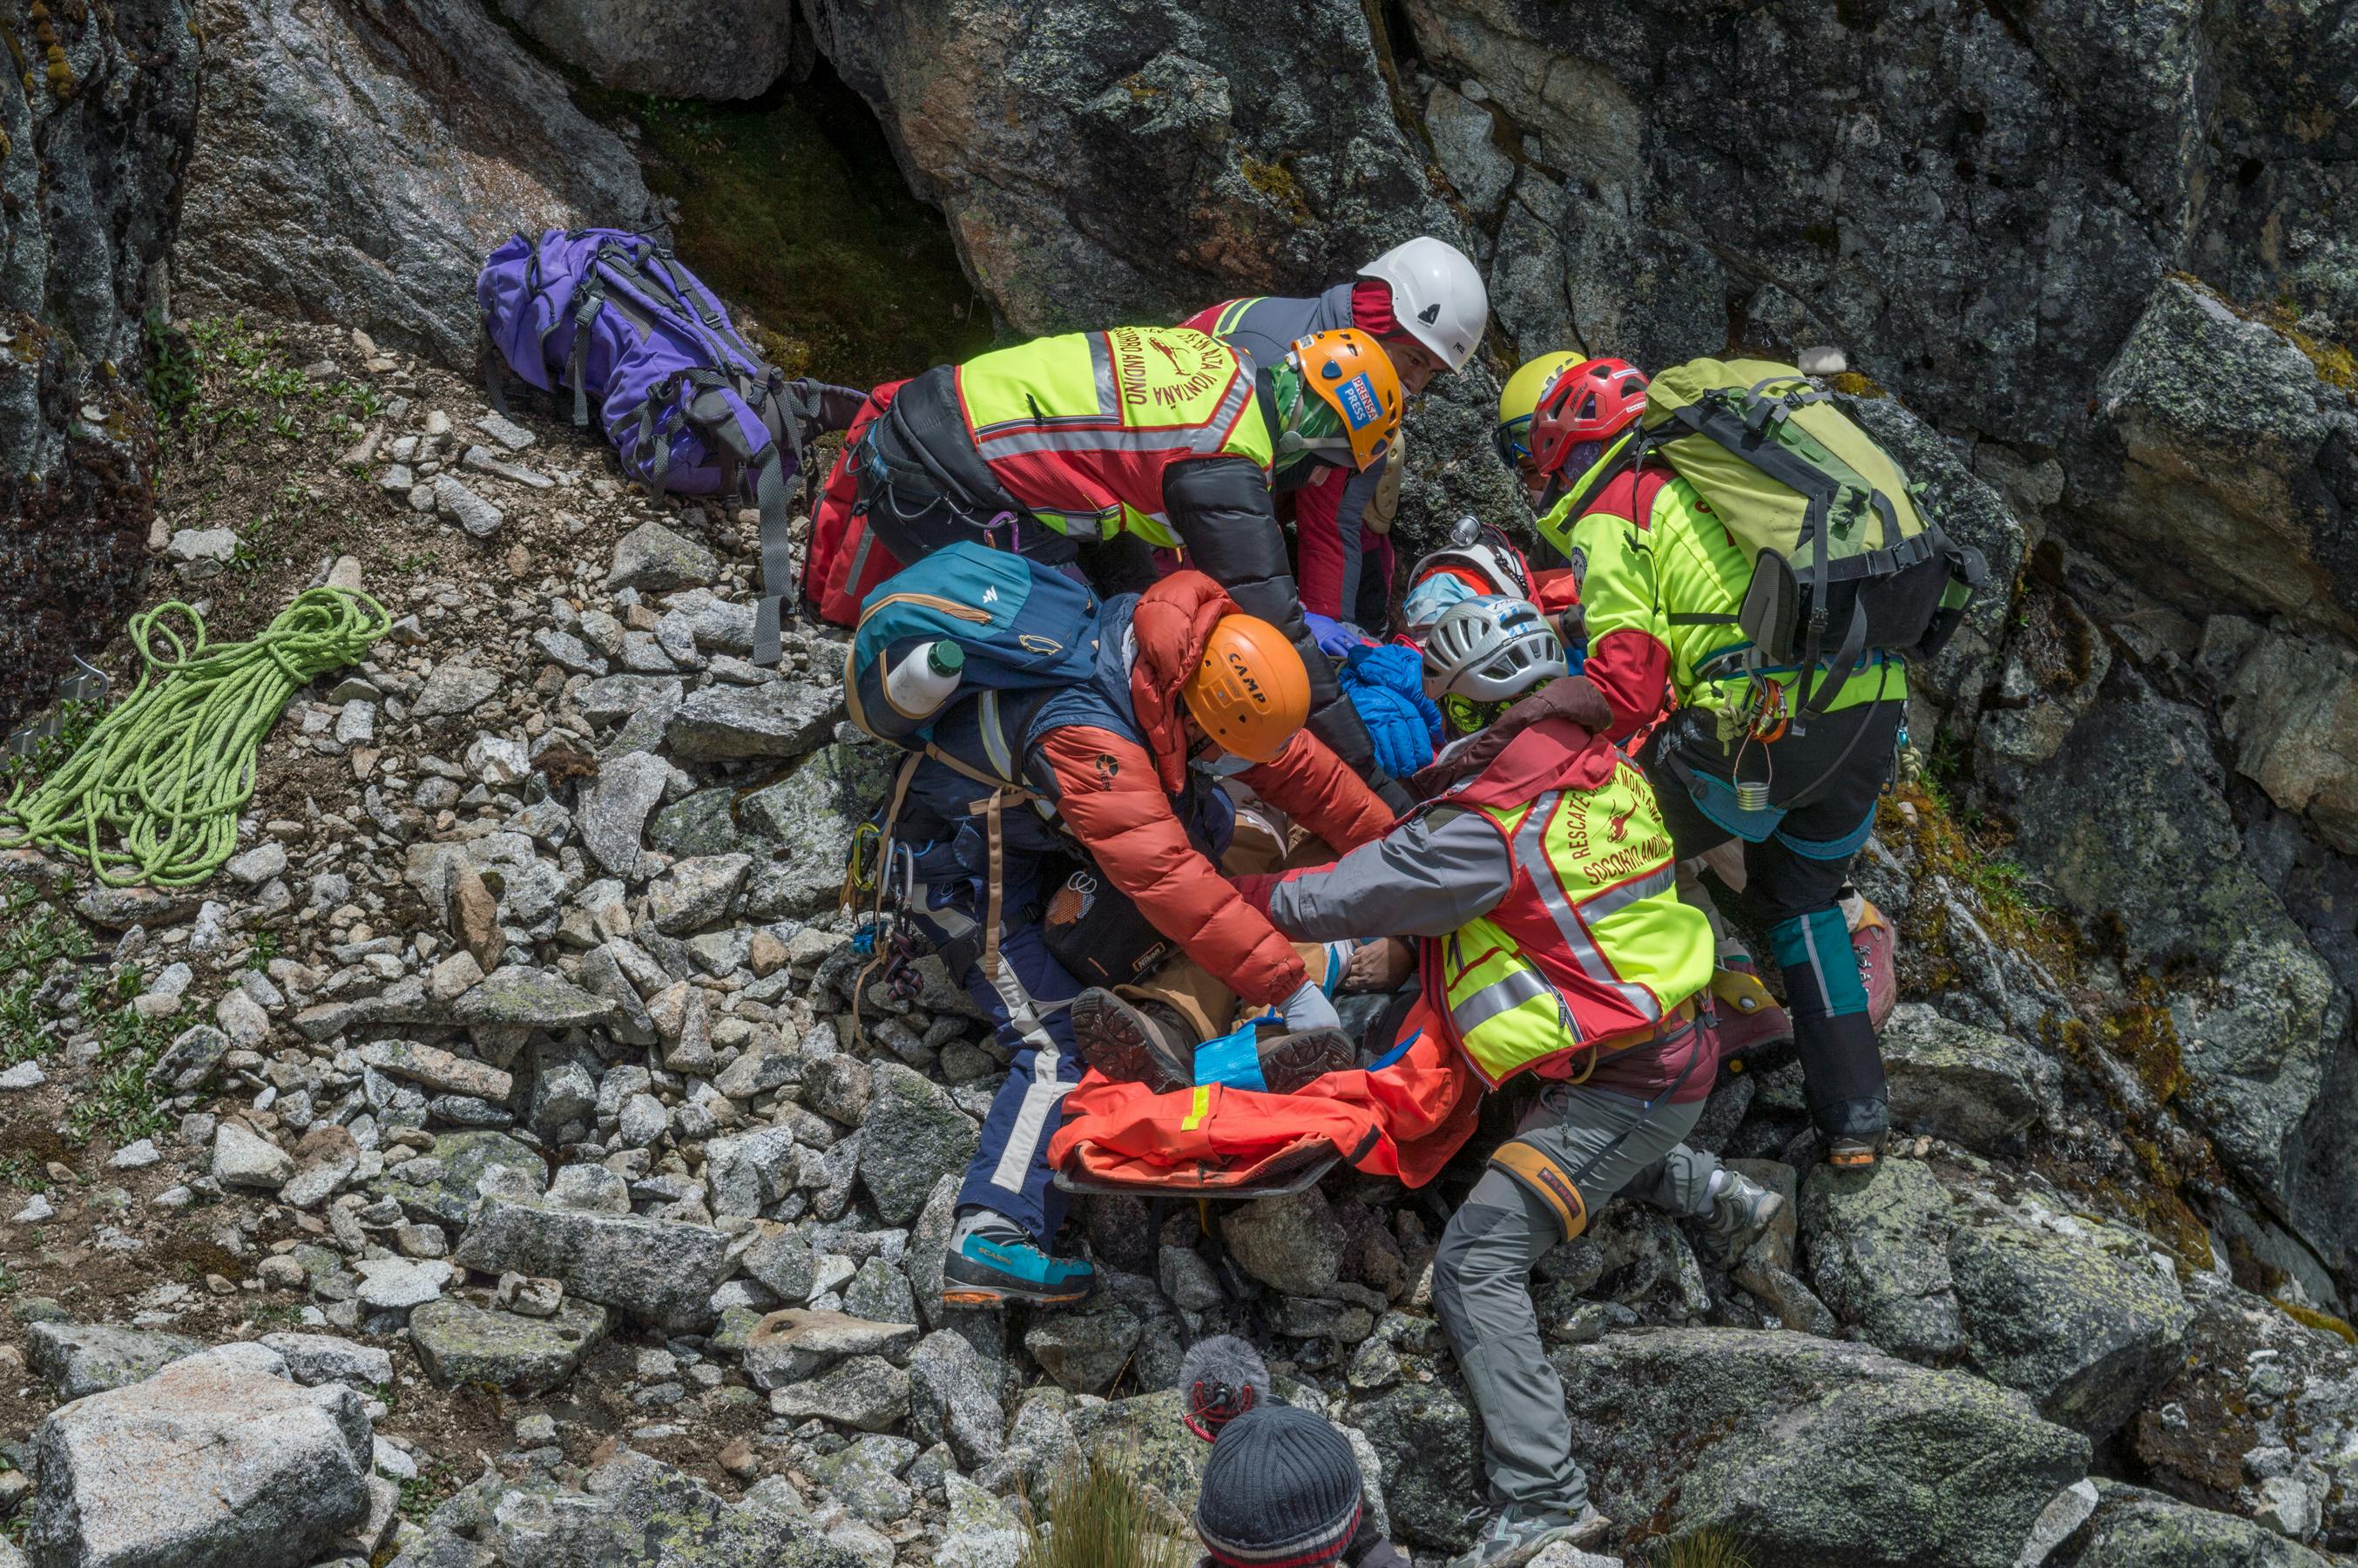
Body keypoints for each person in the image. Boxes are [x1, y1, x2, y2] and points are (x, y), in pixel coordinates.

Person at [1230, 597, 1783, 1566]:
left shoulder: (1486, 830)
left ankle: (1543, 1499)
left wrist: (1197, 893)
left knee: (1478, 1266)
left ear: (1473, 708)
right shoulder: (1603, 766)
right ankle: (1707, 1189)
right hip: (1647, 1050)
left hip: (1628, 1085)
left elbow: (1320, 897)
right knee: (1509, 1135)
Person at [860, 565, 1395, 1307]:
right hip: (961, 873)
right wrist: (1290, 987)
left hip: (1033, 840)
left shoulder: (1185, 657)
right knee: (1054, 1049)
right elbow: (1165, 876)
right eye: (1219, 746)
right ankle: (990, 1237)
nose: (1231, 760)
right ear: (1200, 711)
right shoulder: (1090, 730)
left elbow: (1303, 774)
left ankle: (1162, 1015)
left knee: (1207, 822)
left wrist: (1405, 858)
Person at [1516, 355, 1905, 1167]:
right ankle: (1856, 1123)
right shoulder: (1727, 486)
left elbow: (1626, 678)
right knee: (1797, 898)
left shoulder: (1617, 504)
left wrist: (1530, 729)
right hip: (1871, 708)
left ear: (1563, 448)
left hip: (1759, 727)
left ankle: (1649, 1045)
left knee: (1603, 841)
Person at [848, 321, 1410, 804]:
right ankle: (974, 775)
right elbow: (1274, 625)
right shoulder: (1221, 456)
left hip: (932, 437)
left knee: (1146, 620)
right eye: (1329, 465)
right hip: (944, 489)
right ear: (1312, 434)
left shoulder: (1223, 366)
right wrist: (1370, 778)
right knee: (1101, 670)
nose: (1317, 480)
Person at [1186, 237, 1490, 630]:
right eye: (1414, 359)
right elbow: (1205, 501)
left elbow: (1332, 524)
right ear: (1380, 321)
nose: (1416, 383)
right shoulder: (1271, 360)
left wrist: (1333, 633)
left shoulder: (1369, 389)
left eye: (1432, 372)